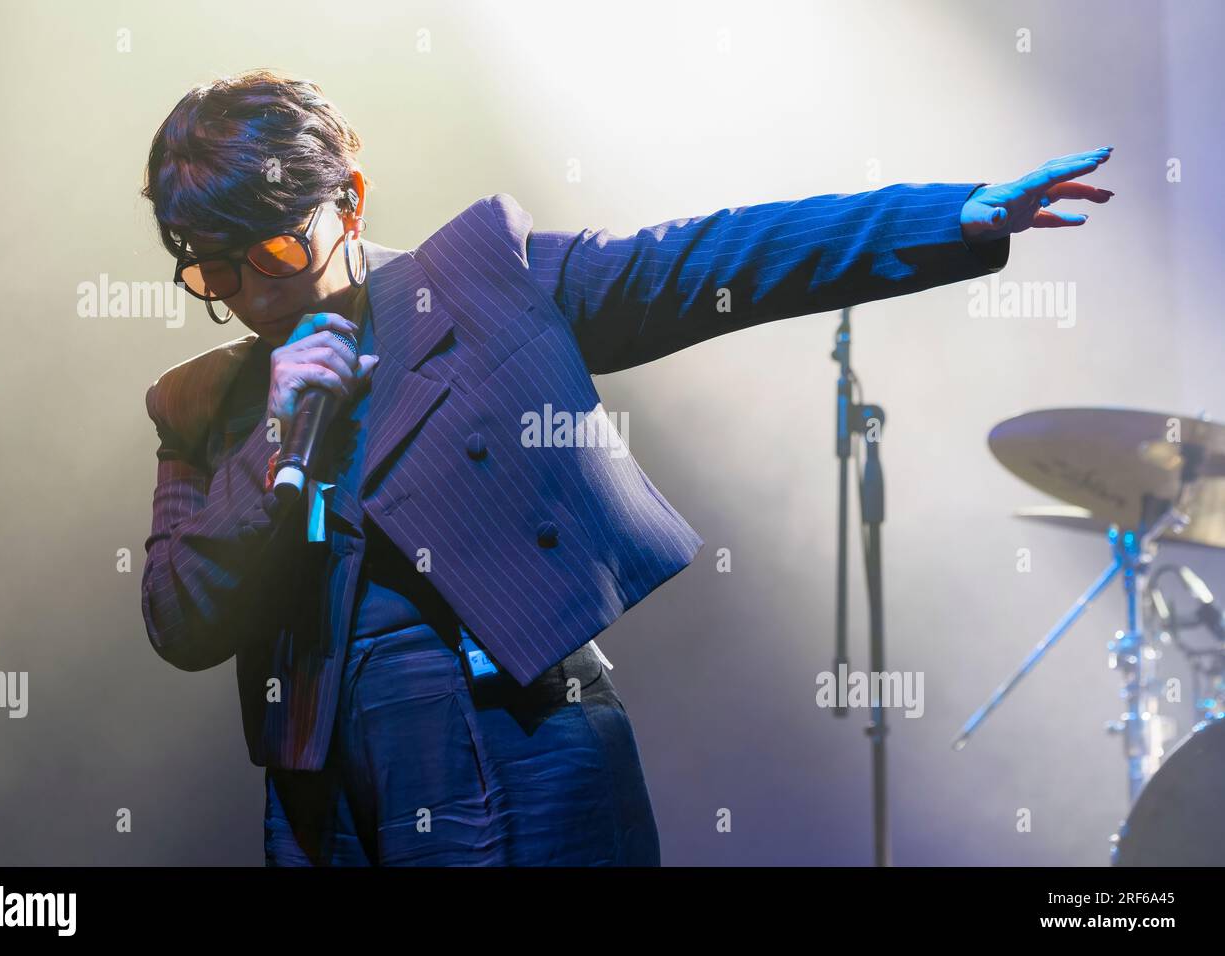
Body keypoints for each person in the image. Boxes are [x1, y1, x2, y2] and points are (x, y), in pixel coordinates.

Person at [138, 68, 1113, 866]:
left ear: (346, 201)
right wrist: (272, 445)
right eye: (211, 272)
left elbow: (697, 261)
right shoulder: (202, 403)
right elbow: (180, 618)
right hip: (318, 788)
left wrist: (951, 218)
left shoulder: (473, 282)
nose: (250, 295)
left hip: (504, 728)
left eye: (272, 249)